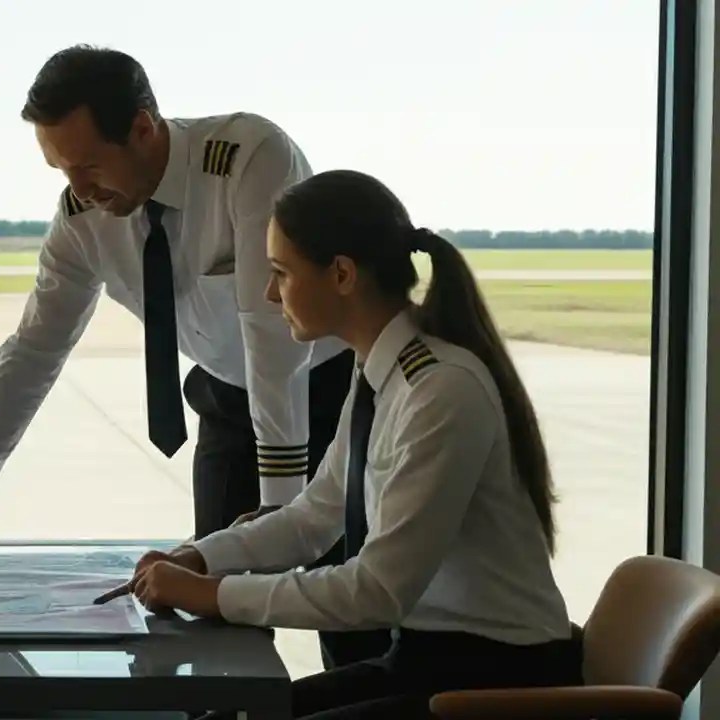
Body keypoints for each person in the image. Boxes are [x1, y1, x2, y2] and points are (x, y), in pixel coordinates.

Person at [0, 44, 358, 625]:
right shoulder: (82, 223)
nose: (78, 189)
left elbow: (273, 335)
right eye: (61, 171)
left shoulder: (247, 158)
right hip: (230, 405)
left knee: (346, 612)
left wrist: (281, 511)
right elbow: (31, 353)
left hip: (331, 396)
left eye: (88, 166)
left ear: (142, 129)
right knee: (206, 613)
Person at [110, 169, 581, 719]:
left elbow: (376, 590)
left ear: (341, 275)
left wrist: (209, 595)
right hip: (427, 662)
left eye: (281, 273)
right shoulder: (379, 372)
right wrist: (201, 557)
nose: (267, 292)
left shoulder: (440, 390)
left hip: (499, 683)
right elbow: (317, 515)